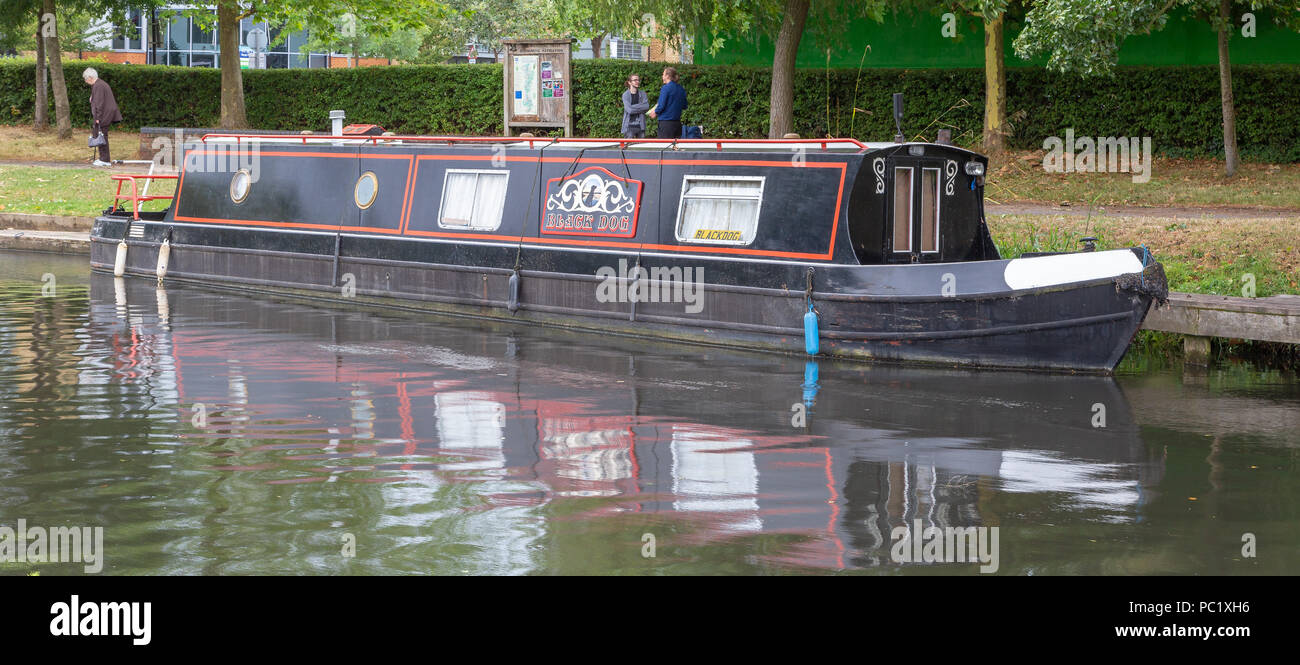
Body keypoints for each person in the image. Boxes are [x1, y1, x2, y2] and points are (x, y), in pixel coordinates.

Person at [84, 68, 122, 167]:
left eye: (86, 79)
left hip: (104, 115)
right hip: (106, 114)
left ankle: (105, 160)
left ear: (90, 77)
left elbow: (99, 103)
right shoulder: (100, 84)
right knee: (100, 134)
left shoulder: (98, 86)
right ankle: (103, 158)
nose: (85, 81)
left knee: (101, 135)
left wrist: (98, 117)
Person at [647, 67, 686, 139]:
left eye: (663, 74)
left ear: (667, 76)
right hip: (677, 123)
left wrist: (655, 112)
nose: (662, 76)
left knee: (664, 147)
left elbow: (661, 105)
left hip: (666, 124)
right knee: (675, 147)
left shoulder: (665, 88)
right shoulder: (681, 88)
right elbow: (684, 105)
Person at [620, 73, 650, 139]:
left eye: (638, 80)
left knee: (641, 147)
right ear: (629, 82)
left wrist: (633, 106)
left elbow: (646, 107)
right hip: (629, 126)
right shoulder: (625, 95)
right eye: (635, 80)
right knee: (627, 147)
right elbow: (629, 110)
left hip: (641, 125)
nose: (637, 82)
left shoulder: (643, 94)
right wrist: (641, 107)